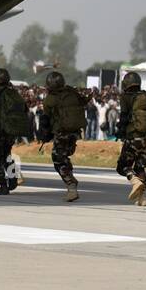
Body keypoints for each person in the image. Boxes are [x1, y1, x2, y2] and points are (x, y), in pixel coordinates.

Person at [39, 70, 86, 201]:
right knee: (63, 157)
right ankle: (71, 179)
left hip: (61, 132)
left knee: (58, 158)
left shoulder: (50, 99)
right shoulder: (72, 94)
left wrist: (45, 134)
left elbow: (46, 119)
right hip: (75, 132)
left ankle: (71, 186)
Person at [116, 71, 146, 206]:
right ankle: (142, 198)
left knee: (123, 166)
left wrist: (120, 132)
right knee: (140, 167)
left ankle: (135, 182)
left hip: (134, 138)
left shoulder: (126, 97)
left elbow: (123, 118)